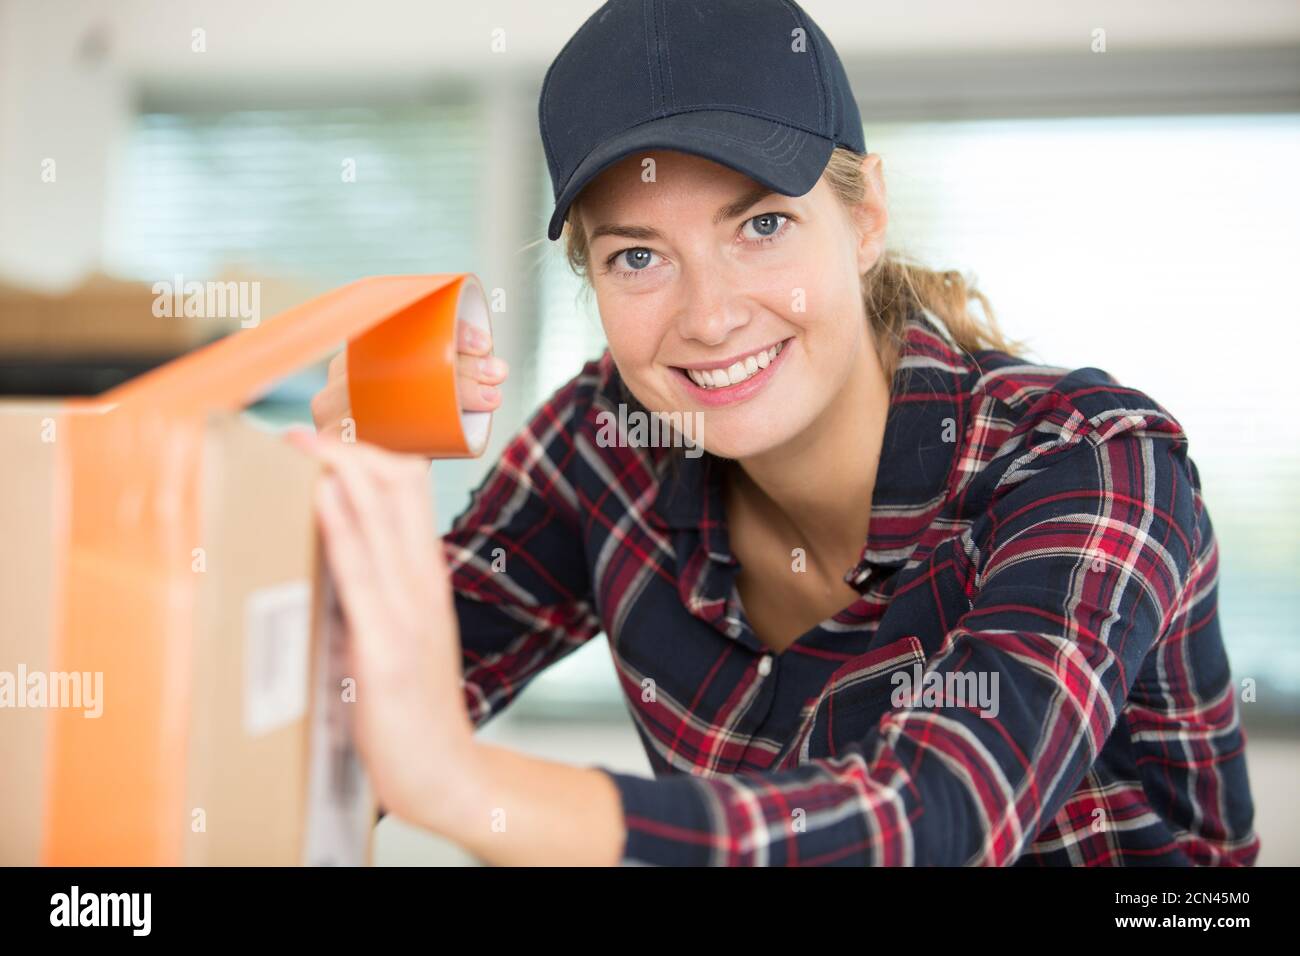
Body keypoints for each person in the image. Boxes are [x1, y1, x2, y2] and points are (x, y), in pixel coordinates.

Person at [292, 0, 1260, 866]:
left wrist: (464, 786)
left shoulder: (1087, 462)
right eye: (637, 255)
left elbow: (938, 816)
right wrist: (327, 495)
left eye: (759, 226)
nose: (710, 317)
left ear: (865, 215)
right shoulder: (609, 440)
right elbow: (315, 730)